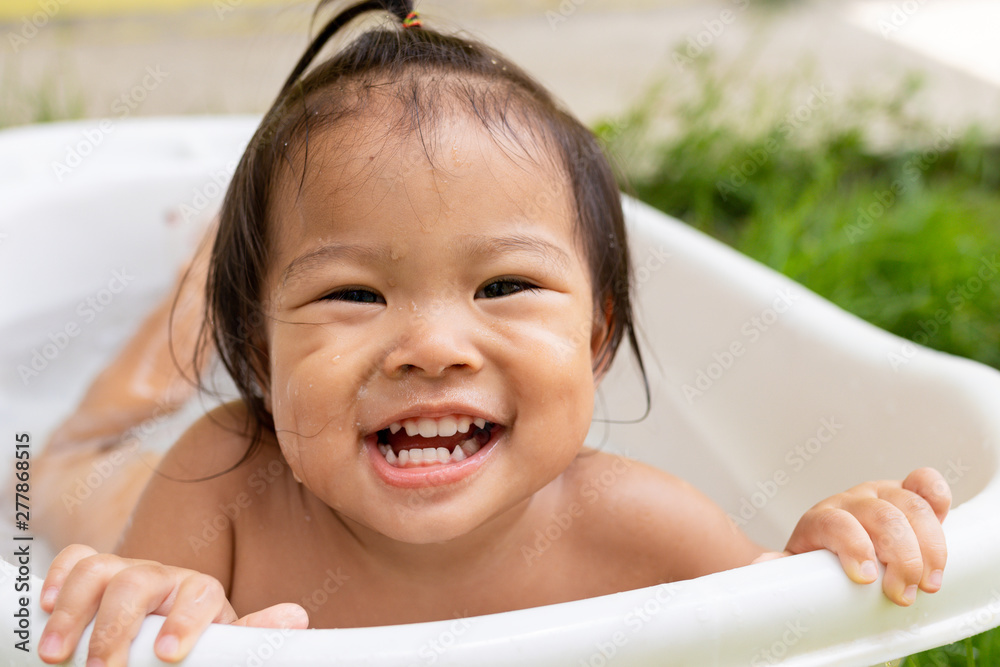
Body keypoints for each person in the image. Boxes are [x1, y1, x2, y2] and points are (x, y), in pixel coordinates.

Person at [36, 1, 951, 665]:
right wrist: (143, 603)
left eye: (504, 284)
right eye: (354, 293)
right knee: (61, 474)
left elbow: (780, 627)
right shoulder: (226, 480)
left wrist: (828, 552)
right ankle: (172, 327)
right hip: (132, 477)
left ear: (597, 335)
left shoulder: (637, 526)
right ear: (262, 360)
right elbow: (118, 618)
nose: (433, 347)